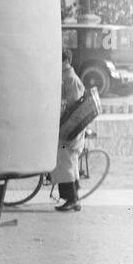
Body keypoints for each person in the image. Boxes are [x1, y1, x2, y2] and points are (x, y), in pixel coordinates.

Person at [53, 48, 87, 212]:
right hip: (73, 130)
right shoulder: (69, 77)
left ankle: (71, 198)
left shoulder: (70, 79)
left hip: (70, 130)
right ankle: (75, 198)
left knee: (64, 161)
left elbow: (73, 106)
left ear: (65, 61)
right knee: (70, 163)